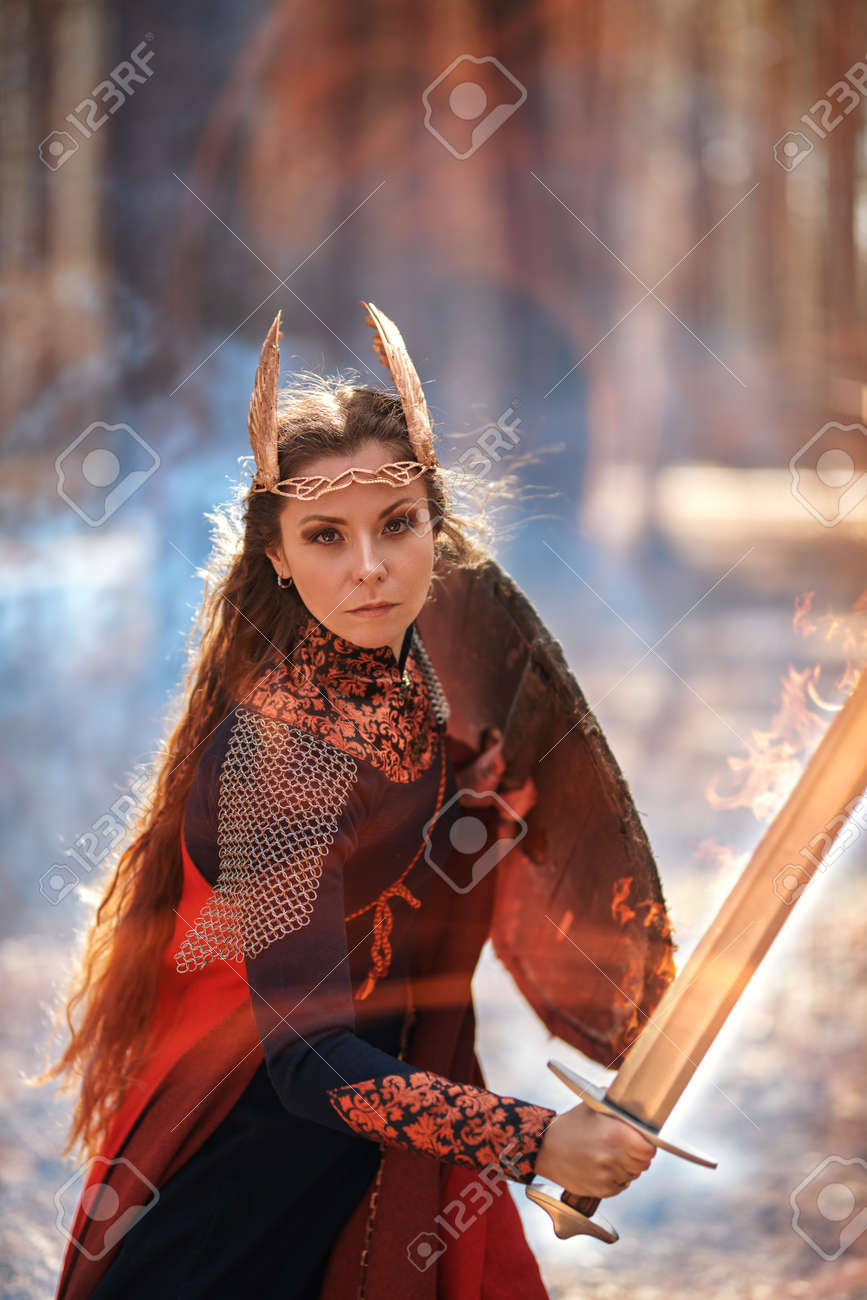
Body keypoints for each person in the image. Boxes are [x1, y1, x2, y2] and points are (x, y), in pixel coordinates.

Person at [40, 304, 657, 1300]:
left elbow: (409, 877)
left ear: (435, 527)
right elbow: (305, 1060)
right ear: (277, 557)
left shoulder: (430, 693)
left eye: (397, 525)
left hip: (385, 1173)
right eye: (326, 536)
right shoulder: (276, 754)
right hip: (239, 1216)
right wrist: (534, 1140)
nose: (368, 567)